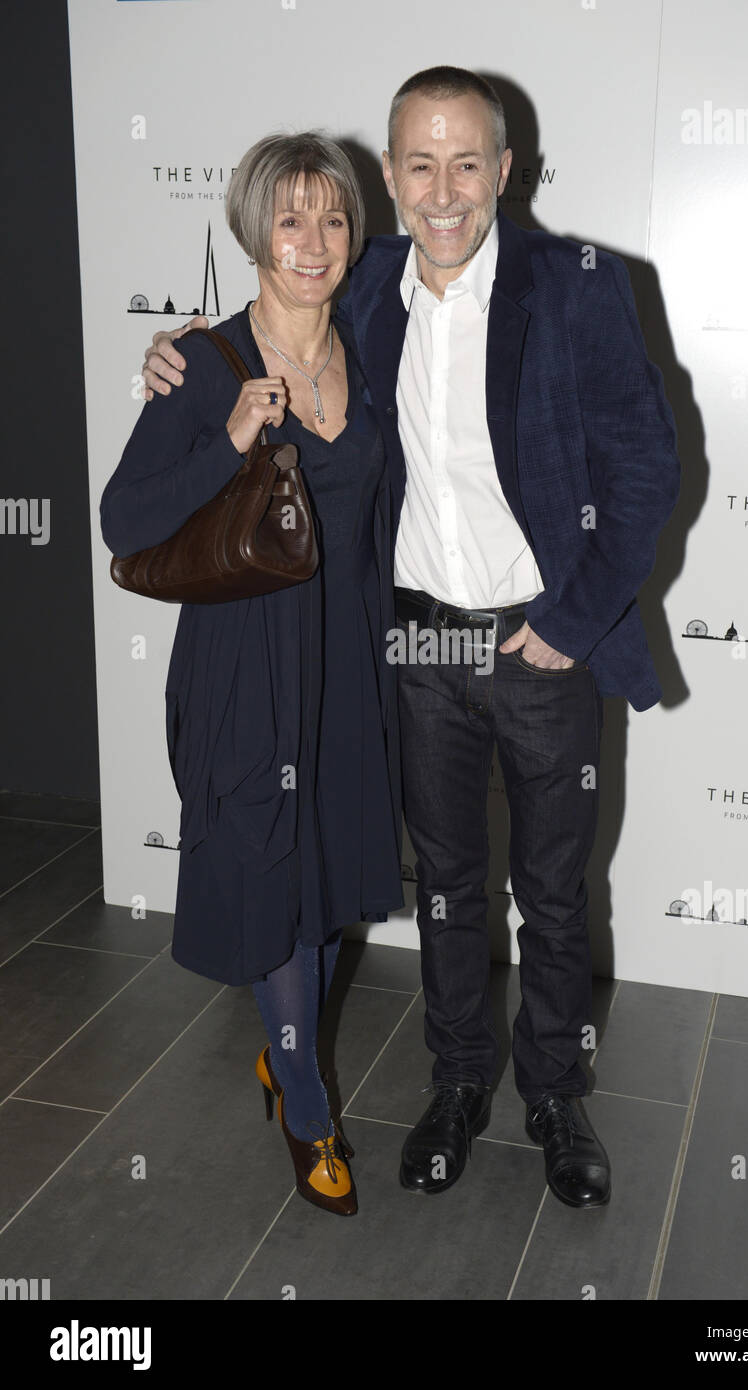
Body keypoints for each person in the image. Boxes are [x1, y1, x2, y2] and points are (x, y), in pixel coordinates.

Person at [141, 68, 681, 1211]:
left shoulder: (580, 288)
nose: (443, 192)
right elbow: (265, 317)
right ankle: (456, 1085)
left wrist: (569, 622)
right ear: (389, 178)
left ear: (504, 170)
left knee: (553, 891)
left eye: (467, 162)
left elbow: (645, 471)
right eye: (418, 166)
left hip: (541, 649)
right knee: (444, 886)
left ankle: (552, 1095)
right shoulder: (367, 282)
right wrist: (175, 360)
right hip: (416, 656)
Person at [104, 132, 404, 1218]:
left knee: (321, 882)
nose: (312, 240)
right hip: (246, 667)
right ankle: (306, 1099)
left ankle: (283, 1053)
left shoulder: (371, 338)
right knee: (273, 885)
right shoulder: (203, 362)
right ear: (251, 232)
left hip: (348, 663)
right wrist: (225, 438)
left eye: (332, 218)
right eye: (289, 218)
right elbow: (123, 522)